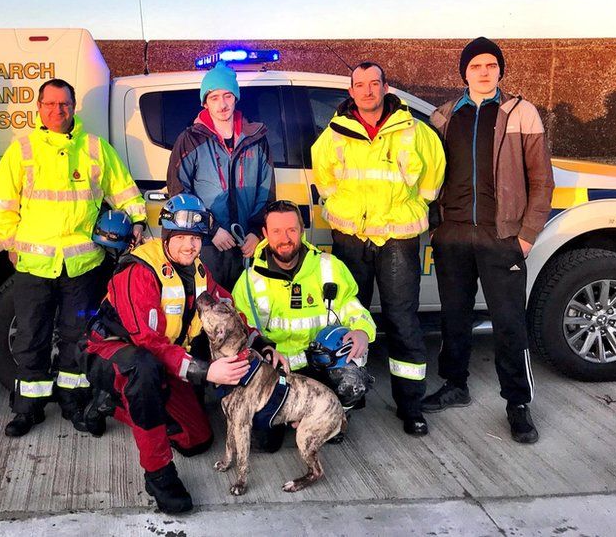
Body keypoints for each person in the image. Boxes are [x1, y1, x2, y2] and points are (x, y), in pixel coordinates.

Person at [84, 194, 287, 514]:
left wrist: (260, 344)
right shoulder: (138, 271)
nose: (189, 246)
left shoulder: (198, 269)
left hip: (168, 357)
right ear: (166, 235)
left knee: (197, 441)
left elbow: (227, 310)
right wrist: (205, 372)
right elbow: (147, 342)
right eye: (181, 238)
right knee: (144, 369)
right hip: (113, 354)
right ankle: (158, 473)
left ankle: (116, 406)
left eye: (195, 239)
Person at [0, 78, 148, 437]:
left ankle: (73, 404)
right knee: (31, 336)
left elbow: (123, 189)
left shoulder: (95, 148)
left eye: (63, 104)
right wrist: (11, 245)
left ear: (74, 107)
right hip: (34, 265)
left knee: (78, 337)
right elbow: (4, 203)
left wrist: (136, 219)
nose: (56, 111)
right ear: (39, 109)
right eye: (49, 104)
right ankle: (27, 409)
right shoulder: (24, 149)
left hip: (82, 264)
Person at [422, 37, 554, 444]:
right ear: (463, 72)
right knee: (454, 317)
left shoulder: (521, 113)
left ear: (500, 70)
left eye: (491, 65)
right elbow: (425, 178)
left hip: (503, 238)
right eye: (475, 65)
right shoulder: (442, 118)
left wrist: (527, 237)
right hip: (454, 236)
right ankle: (455, 384)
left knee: (510, 323)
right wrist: (435, 228)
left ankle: (517, 403)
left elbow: (542, 180)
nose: (483, 71)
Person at [311, 62, 445, 436]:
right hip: (351, 239)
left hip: (398, 241)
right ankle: (343, 406)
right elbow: (324, 182)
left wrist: (410, 212)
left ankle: (411, 407)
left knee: (403, 322)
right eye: (360, 85)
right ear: (350, 91)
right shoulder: (333, 135)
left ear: (386, 87)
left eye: (374, 84)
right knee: (345, 322)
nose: (367, 91)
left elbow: (431, 183)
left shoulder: (416, 132)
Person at [231, 200, 376, 449]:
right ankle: (295, 414)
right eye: (276, 231)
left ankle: (331, 419)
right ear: (265, 234)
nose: (284, 238)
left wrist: (362, 330)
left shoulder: (329, 267)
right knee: (266, 445)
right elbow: (242, 336)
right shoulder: (249, 281)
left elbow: (352, 307)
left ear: (302, 230)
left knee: (353, 378)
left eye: (291, 230)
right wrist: (264, 351)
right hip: (277, 373)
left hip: (318, 366)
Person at [166, 61, 276, 291]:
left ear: (236, 98)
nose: (222, 104)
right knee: (209, 309)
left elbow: (267, 191)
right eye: (214, 97)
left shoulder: (256, 138)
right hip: (207, 245)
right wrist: (212, 229)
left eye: (227, 95)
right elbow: (179, 192)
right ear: (205, 102)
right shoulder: (190, 140)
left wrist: (256, 233)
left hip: (246, 243)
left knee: (245, 308)